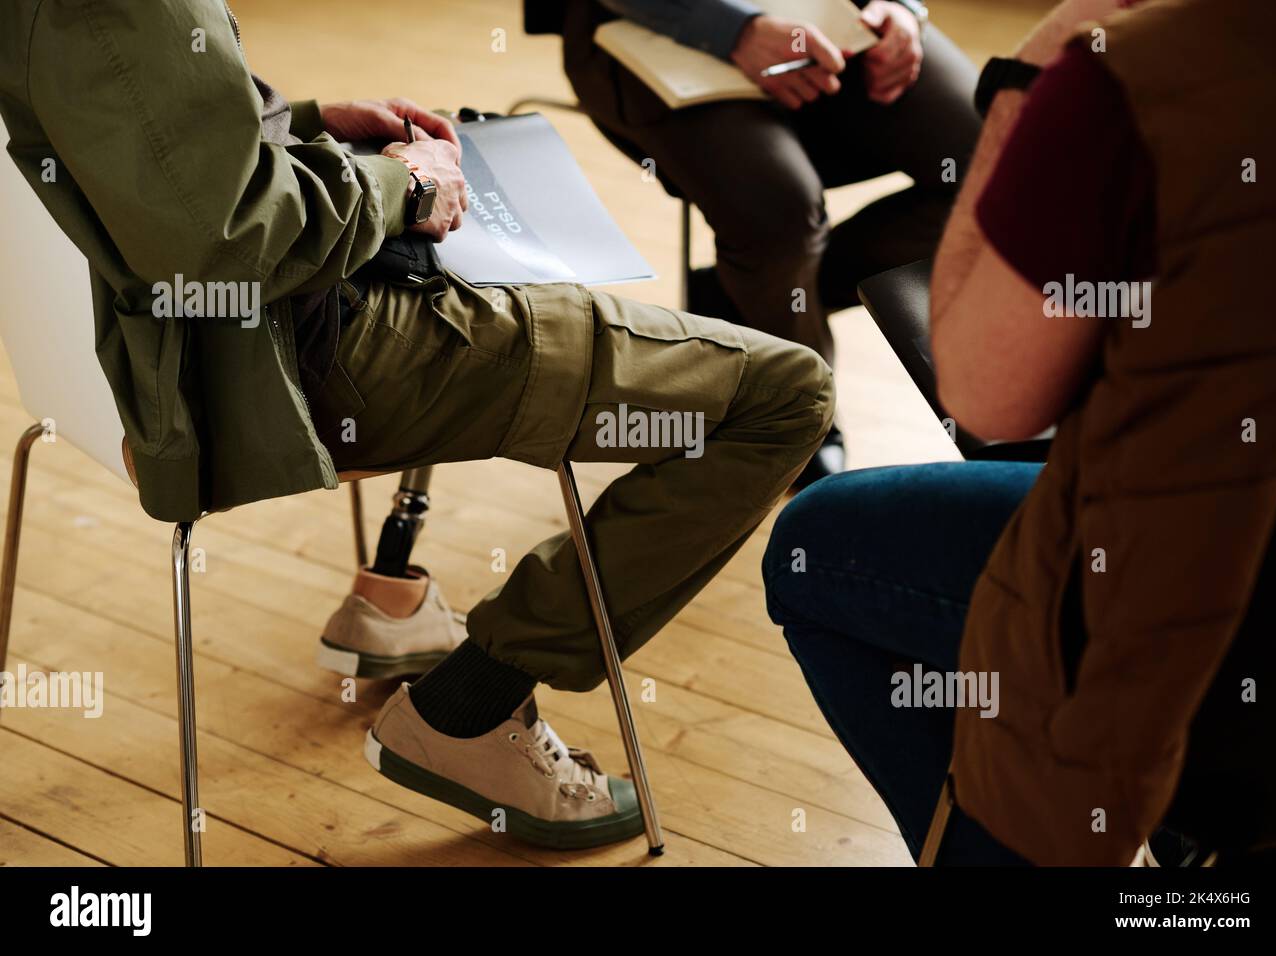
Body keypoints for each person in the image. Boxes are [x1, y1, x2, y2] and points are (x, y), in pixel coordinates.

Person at [1, 0, 833, 849]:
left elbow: (147, 147)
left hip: (176, 350)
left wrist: (315, 126)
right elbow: (227, 237)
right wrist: (410, 185)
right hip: (274, 367)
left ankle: (393, 603)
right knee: (784, 394)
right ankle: (468, 704)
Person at [763, 0, 1276, 865]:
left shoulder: (1136, 70)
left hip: (1218, 633)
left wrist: (1027, 85)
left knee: (812, 546)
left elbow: (986, 394)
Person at [529, 0, 981, 486]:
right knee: (776, 211)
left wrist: (903, 8)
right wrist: (734, 30)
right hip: (639, 20)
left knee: (995, 165)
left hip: (836, 14)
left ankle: (742, 301)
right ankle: (800, 407)